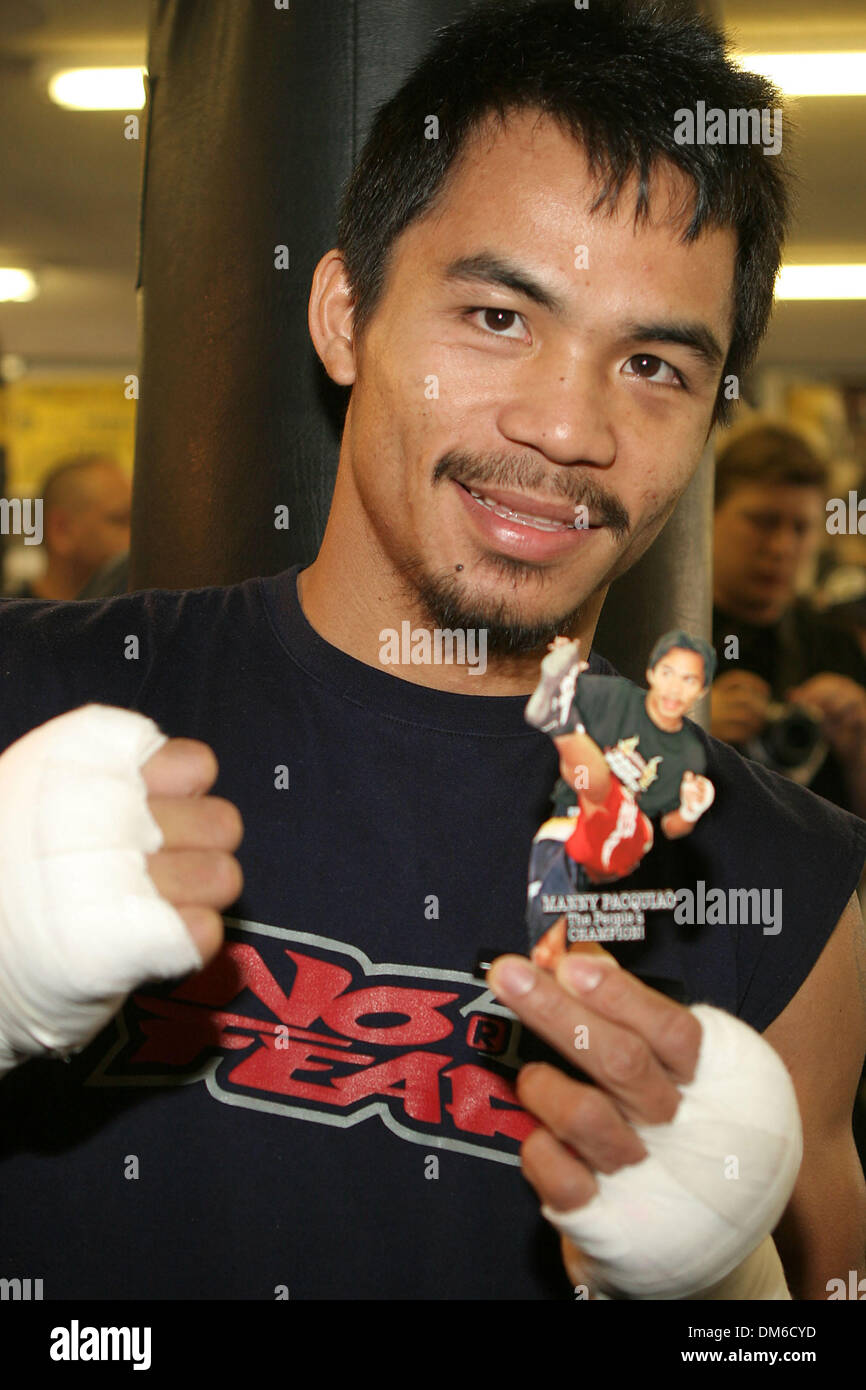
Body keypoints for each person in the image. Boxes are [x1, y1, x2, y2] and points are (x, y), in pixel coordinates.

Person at [0, 0, 865, 1302]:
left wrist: (725, 1283)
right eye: (498, 318)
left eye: (648, 362)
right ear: (345, 314)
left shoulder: (791, 877)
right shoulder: (30, 698)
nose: (567, 427)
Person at [525, 631, 715, 962]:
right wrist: (567, 668)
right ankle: (551, 950)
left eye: (688, 680)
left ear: (701, 691)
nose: (674, 687)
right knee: (549, 939)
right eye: (668, 673)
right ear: (652, 673)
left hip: (626, 834)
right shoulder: (615, 696)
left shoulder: (688, 753)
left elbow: (672, 828)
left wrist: (691, 810)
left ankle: (558, 722)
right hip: (570, 825)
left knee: (598, 784)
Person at [711, 423, 866, 817]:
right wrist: (680, 733)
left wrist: (859, 750)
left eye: (801, 528)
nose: (781, 547)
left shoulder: (836, 646)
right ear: (709, 516)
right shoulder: (659, 636)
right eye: (763, 522)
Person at [4, 453, 131, 600]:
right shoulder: (11, 619)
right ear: (61, 530)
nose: (138, 537)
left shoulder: (138, 613)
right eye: (121, 520)